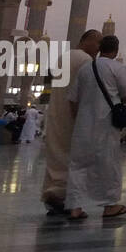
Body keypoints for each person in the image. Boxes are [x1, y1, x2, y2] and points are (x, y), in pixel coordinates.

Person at [66, 35, 126, 221]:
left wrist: (79, 119)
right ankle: (110, 205)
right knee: (108, 163)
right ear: (115, 50)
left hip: (83, 124)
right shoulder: (116, 67)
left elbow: (72, 99)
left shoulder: (85, 68)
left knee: (78, 165)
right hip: (105, 124)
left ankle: (75, 207)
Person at [39, 30, 100, 213]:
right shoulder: (86, 61)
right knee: (74, 159)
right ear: (87, 41)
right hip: (74, 116)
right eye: (98, 43)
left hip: (56, 114)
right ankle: (67, 200)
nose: (99, 49)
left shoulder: (63, 57)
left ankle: (52, 194)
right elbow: (86, 94)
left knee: (57, 156)